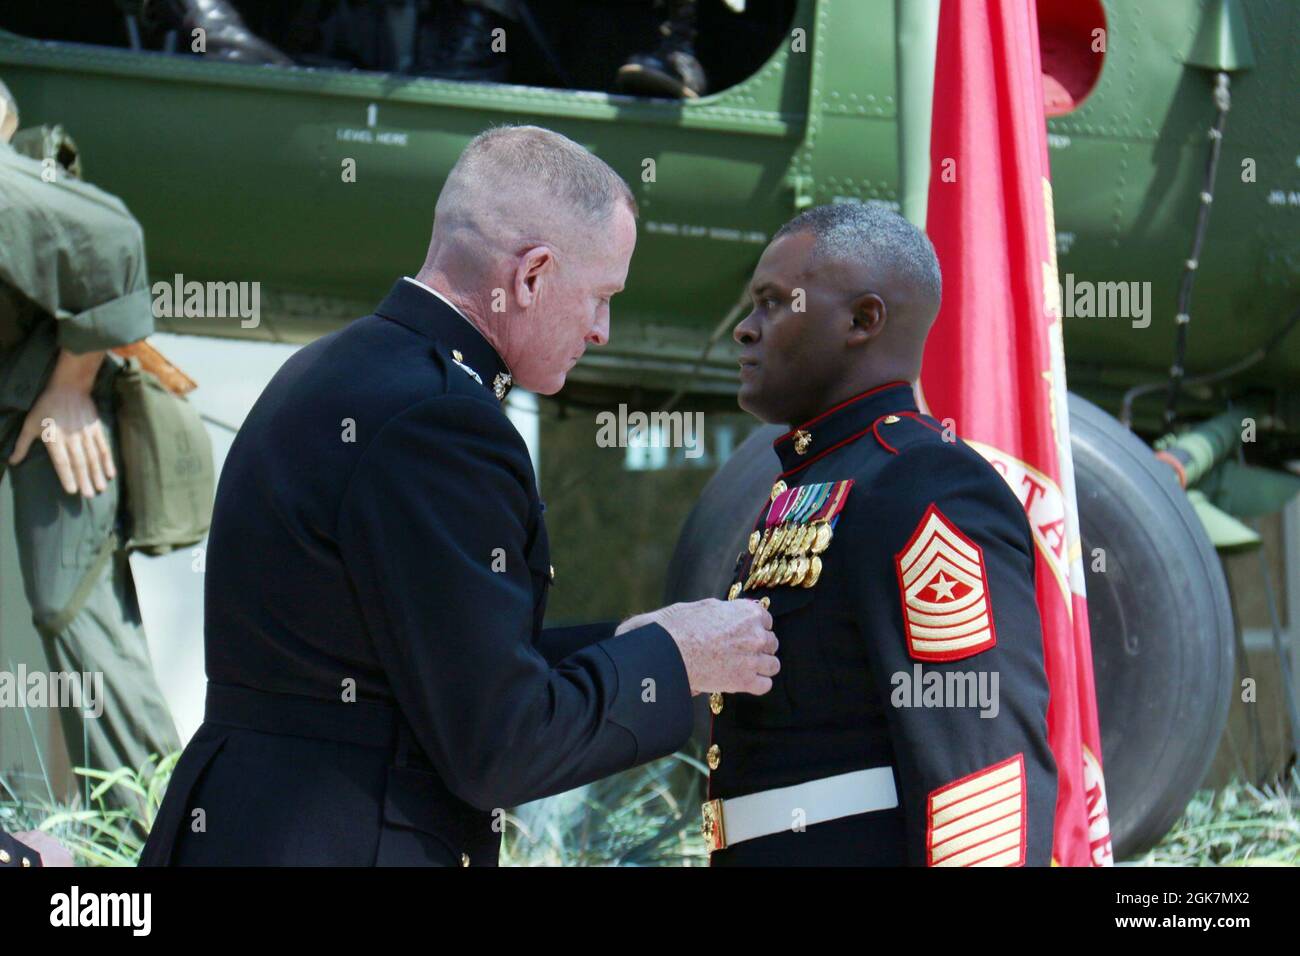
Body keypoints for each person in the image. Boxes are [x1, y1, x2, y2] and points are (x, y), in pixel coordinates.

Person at [140, 124, 779, 867]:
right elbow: (500, 745)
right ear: (534, 275)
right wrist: (675, 660)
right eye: (600, 296)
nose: (602, 330)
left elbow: (439, 658)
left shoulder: (340, 367)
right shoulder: (440, 421)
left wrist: (632, 639)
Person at [702, 201, 1057, 866]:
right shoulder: (820, 480)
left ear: (863, 320)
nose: (746, 331)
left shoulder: (924, 487)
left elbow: (977, 769)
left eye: (774, 303)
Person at [0, 81, 181, 803]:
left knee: (67, 603)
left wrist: (70, 386)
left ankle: (167, 832)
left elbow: (112, 242)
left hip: (47, 386)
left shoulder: (13, 198)